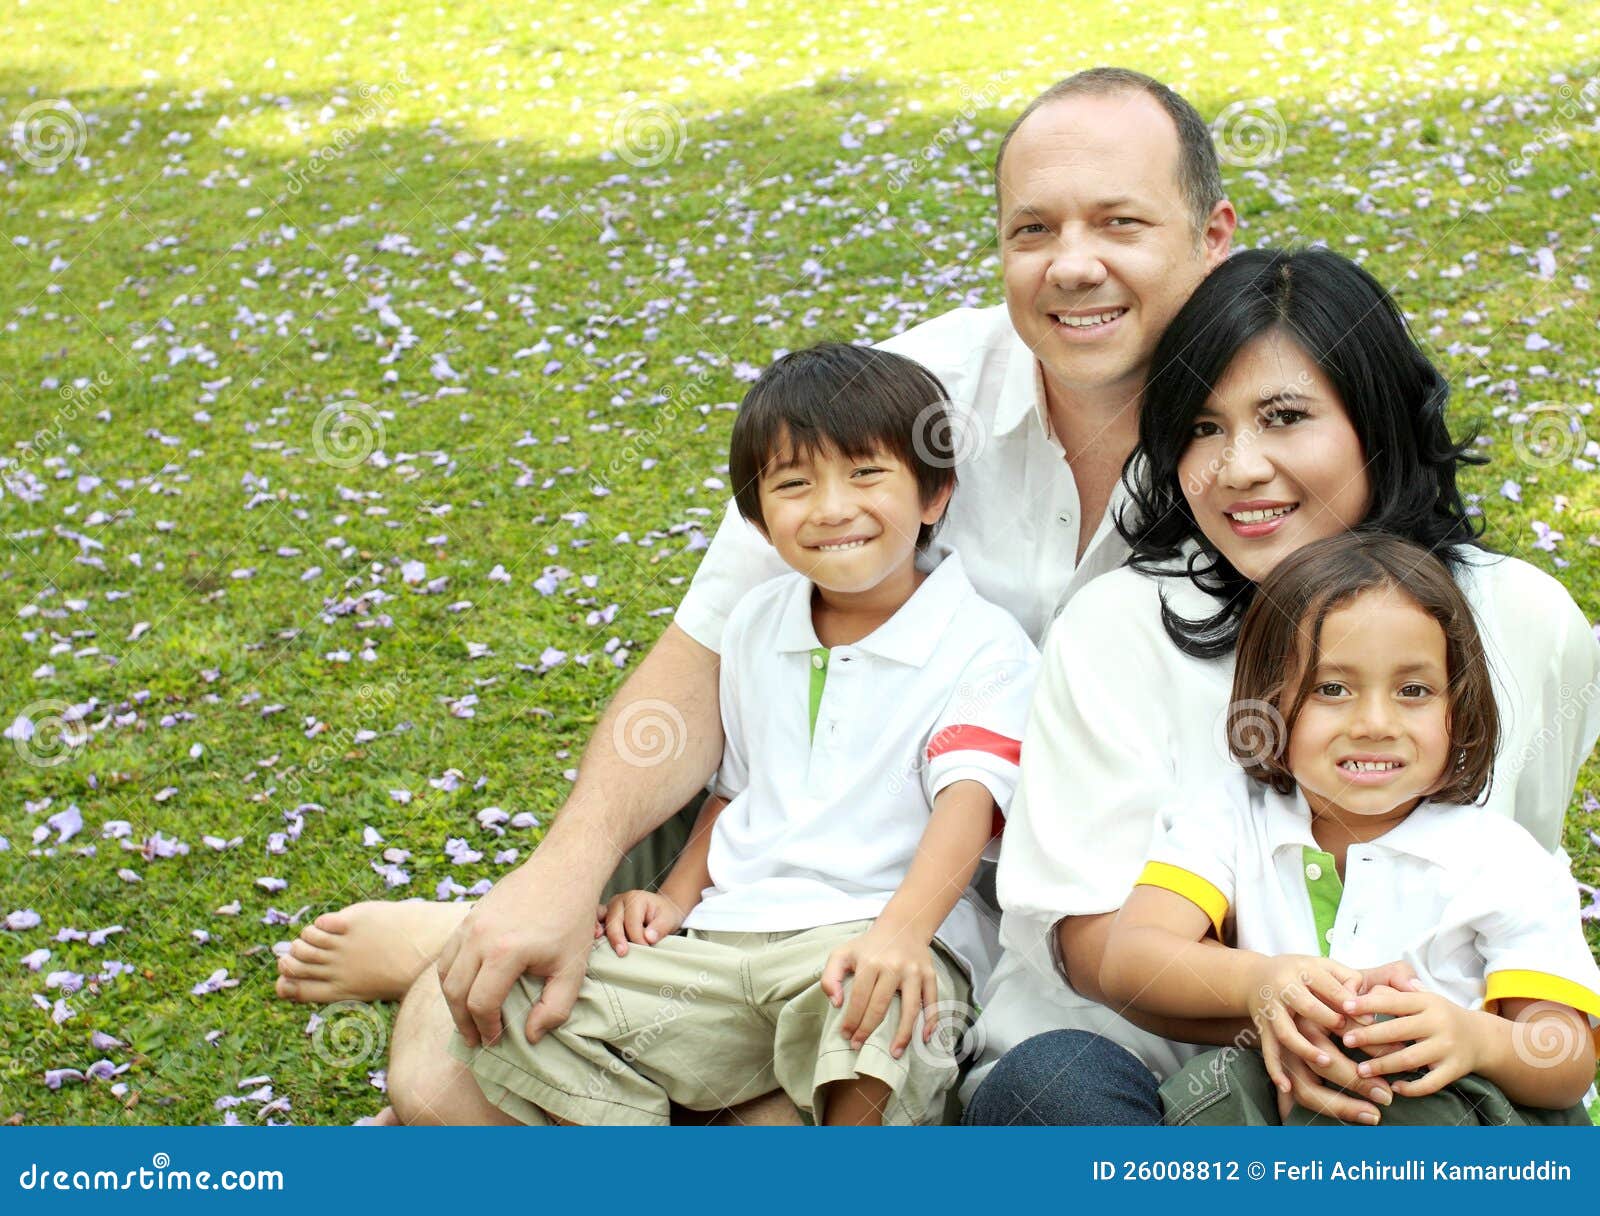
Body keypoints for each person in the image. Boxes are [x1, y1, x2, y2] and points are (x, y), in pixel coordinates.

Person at [275, 66, 1237, 1121]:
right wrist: (561, 872)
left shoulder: (1272, 426)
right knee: (436, 1077)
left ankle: (472, 949)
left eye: (1120, 222)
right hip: (810, 852)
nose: (1073, 265)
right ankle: (514, 936)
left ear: (1213, 236)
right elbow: (700, 661)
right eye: (1033, 230)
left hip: (1047, 907)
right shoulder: (896, 403)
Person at [966, 247, 1600, 1125]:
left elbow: (1523, 909)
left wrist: (1454, 1037)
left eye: (1285, 416)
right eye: (1202, 427)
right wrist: (1287, 1002)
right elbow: (1094, 946)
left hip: (1419, 1092)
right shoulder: (1116, 626)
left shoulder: (1524, 617)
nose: (1237, 468)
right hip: (1160, 1084)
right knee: (1052, 1088)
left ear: (1376, 420)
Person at [382, 342, 1039, 1124]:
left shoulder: (984, 643)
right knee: (527, 998)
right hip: (724, 941)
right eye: (793, 485)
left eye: (866, 474)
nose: (832, 508)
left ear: (934, 495)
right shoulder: (757, 623)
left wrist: (901, 933)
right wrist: (672, 899)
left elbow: (968, 804)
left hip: (869, 933)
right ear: (758, 519)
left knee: (889, 1013)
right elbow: (738, 789)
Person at [1101, 532, 1600, 1125]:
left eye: (1413, 691)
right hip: (1284, 1109)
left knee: (1400, 1084)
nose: (1374, 723)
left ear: (1459, 709)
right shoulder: (1231, 817)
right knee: (1218, 1087)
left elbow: (1567, 1061)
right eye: (1332, 689)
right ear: (1268, 702)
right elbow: (1130, 959)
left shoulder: (1501, 859)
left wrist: (1475, 1039)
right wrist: (1260, 981)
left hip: (1449, 1132)